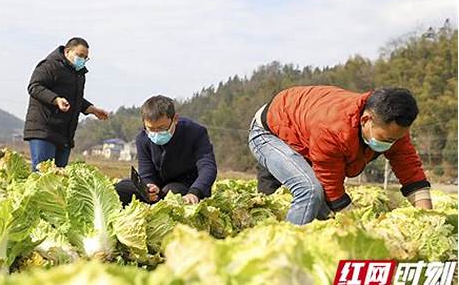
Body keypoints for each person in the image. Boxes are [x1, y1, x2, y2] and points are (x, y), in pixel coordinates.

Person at [248, 85, 433, 225]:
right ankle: (286, 254)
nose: (391, 143)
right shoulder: (333, 127)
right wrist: (355, 226)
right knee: (310, 191)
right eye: (386, 138)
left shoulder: (393, 128)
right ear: (365, 120)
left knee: (324, 213)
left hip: (302, 135)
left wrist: (426, 220)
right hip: (268, 132)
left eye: (395, 139)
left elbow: (409, 168)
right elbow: (330, 183)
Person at [23, 37, 109, 171]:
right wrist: (56, 99)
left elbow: (76, 99)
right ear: (67, 51)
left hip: (64, 135)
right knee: (43, 177)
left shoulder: (79, 74)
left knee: (60, 181)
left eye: (85, 57)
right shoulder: (49, 65)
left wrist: (92, 110)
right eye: (79, 55)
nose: (82, 60)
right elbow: (34, 87)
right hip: (44, 130)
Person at [115, 95, 217, 206]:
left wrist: (195, 192)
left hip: (188, 185)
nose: (157, 133)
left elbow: (207, 166)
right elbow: (146, 172)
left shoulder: (195, 132)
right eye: (151, 129)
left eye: (162, 128)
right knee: (122, 188)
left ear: (175, 119)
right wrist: (150, 186)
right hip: (160, 187)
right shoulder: (143, 139)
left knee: (172, 192)